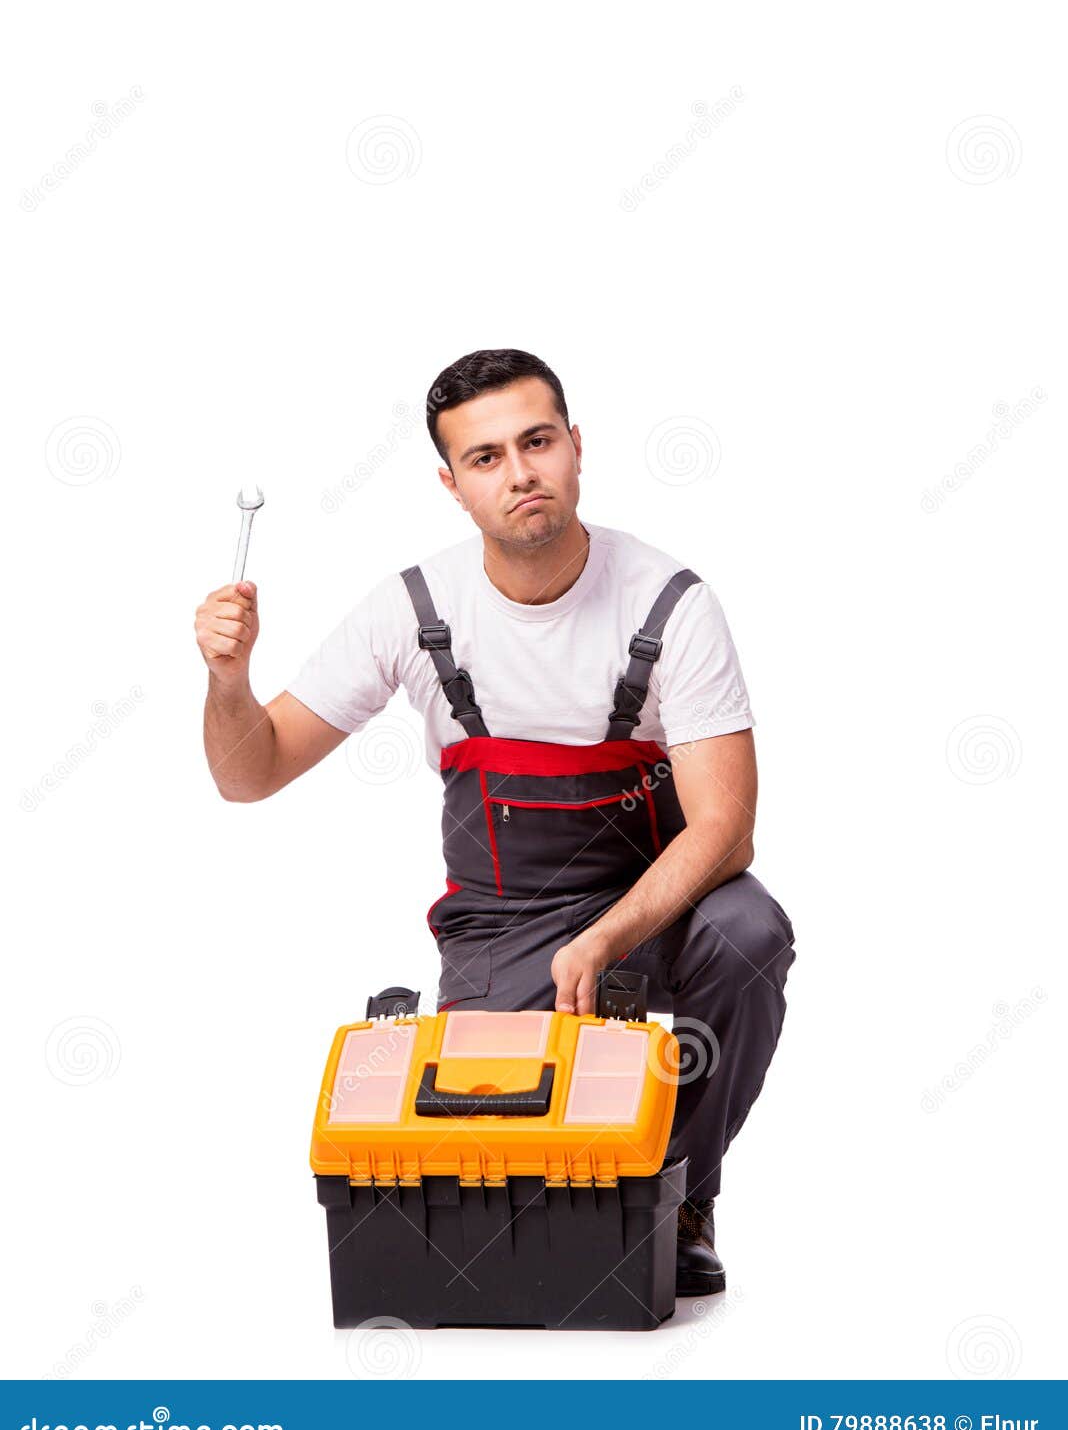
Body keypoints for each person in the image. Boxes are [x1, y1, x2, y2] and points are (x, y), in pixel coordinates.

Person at [195, 349, 796, 1296]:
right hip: (500, 924)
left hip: (653, 909)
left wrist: (607, 937)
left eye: (537, 441)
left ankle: (678, 1199)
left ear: (575, 448)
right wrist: (228, 682)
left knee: (750, 932)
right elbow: (247, 773)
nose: (519, 473)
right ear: (453, 485)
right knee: (505, 1164)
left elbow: (726, 828)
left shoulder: (671, 603)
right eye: (485, 458)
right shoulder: (416, 610)